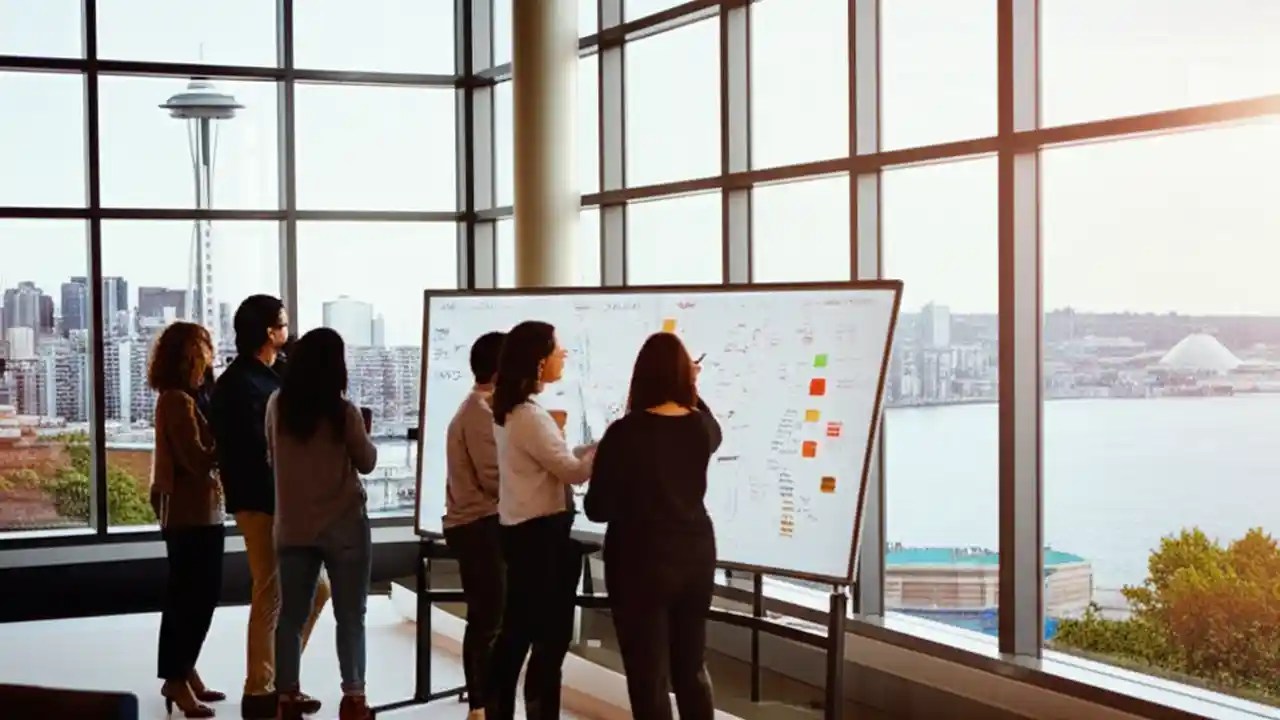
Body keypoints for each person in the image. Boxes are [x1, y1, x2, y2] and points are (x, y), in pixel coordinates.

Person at [584, 332, 722, 720]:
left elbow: (598, 508)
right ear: (684, 378)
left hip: (639, 563)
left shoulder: (624, 432)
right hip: (696, 556)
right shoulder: (700, 428)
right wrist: (692, 382)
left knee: (649, 677)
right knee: (691, 668)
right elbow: (710, 421)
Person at [211, 295, 327, 719]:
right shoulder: (239, 385)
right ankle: (260, 691)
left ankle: (279, 682)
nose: (287, 329)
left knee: (312, 589)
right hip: (260, 503)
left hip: (282, 502)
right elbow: (252, 452)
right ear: (267, 331)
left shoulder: (272, 375)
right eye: (282, 323)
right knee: (272, 592)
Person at [267, 328, 378, 720]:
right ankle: (354, 699)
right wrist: (365, 431)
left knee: (290, 617)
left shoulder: (277, 406)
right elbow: (366, 462)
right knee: (350, 616)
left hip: (294, 526)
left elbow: (271, 457)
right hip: (344, 527)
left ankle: (285, 698)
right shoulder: (342, 411)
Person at [487, 321, 596, 720]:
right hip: (541, 539)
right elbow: (572, 472)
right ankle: (538, 711)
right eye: (557, 349)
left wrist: (587, 450)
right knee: (547, 638)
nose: (563, 355)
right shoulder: (531, 417)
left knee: (519, 631)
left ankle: (507, 708)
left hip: (524, 533)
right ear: (538, 361)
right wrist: (604, 451)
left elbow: (559, 459)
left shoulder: (515, 413)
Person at [148, 321, 225, 719]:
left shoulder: (187, 397)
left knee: (196, 595)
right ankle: (176, 678)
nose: (211, 353)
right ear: (190, 353)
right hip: (189, 513)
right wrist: (227, 441)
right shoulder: (178, 401)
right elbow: (195, 460)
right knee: (192, 597)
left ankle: (184, 668)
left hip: (198, 512)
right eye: (206, 346)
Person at [443, 331, 508, 720]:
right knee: (488, 619)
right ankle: (481, 705)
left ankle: (482, 702)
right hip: (479, 526)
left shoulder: (480, 409)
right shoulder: (480, 414)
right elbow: (495, 479)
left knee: (487, 616)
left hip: (476, 525)